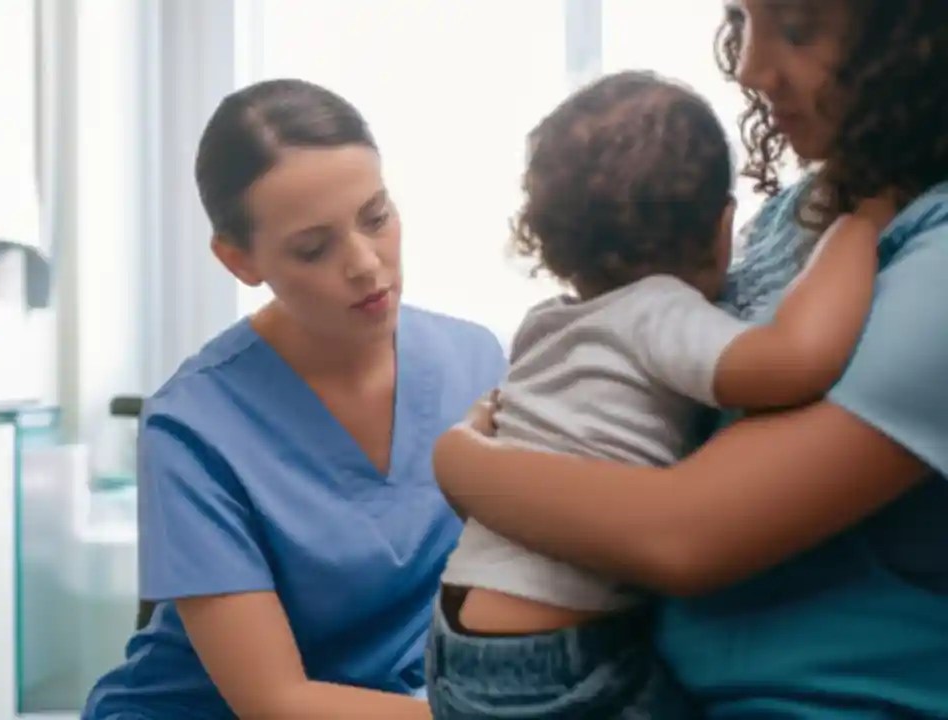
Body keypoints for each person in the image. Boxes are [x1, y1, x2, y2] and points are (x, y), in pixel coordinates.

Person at [433, 1, 948, 717]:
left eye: (797, 28)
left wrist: (462, 464)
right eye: (741, 16)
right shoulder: (792, 216)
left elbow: (683, 535)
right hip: (635, 673)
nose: (746, 65)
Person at [82, 78, 507, 720]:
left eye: (377, 217)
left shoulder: (477, 361)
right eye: (314, 247)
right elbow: (274, 701)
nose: (366, 264)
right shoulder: (191, 427)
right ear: (239, 261)